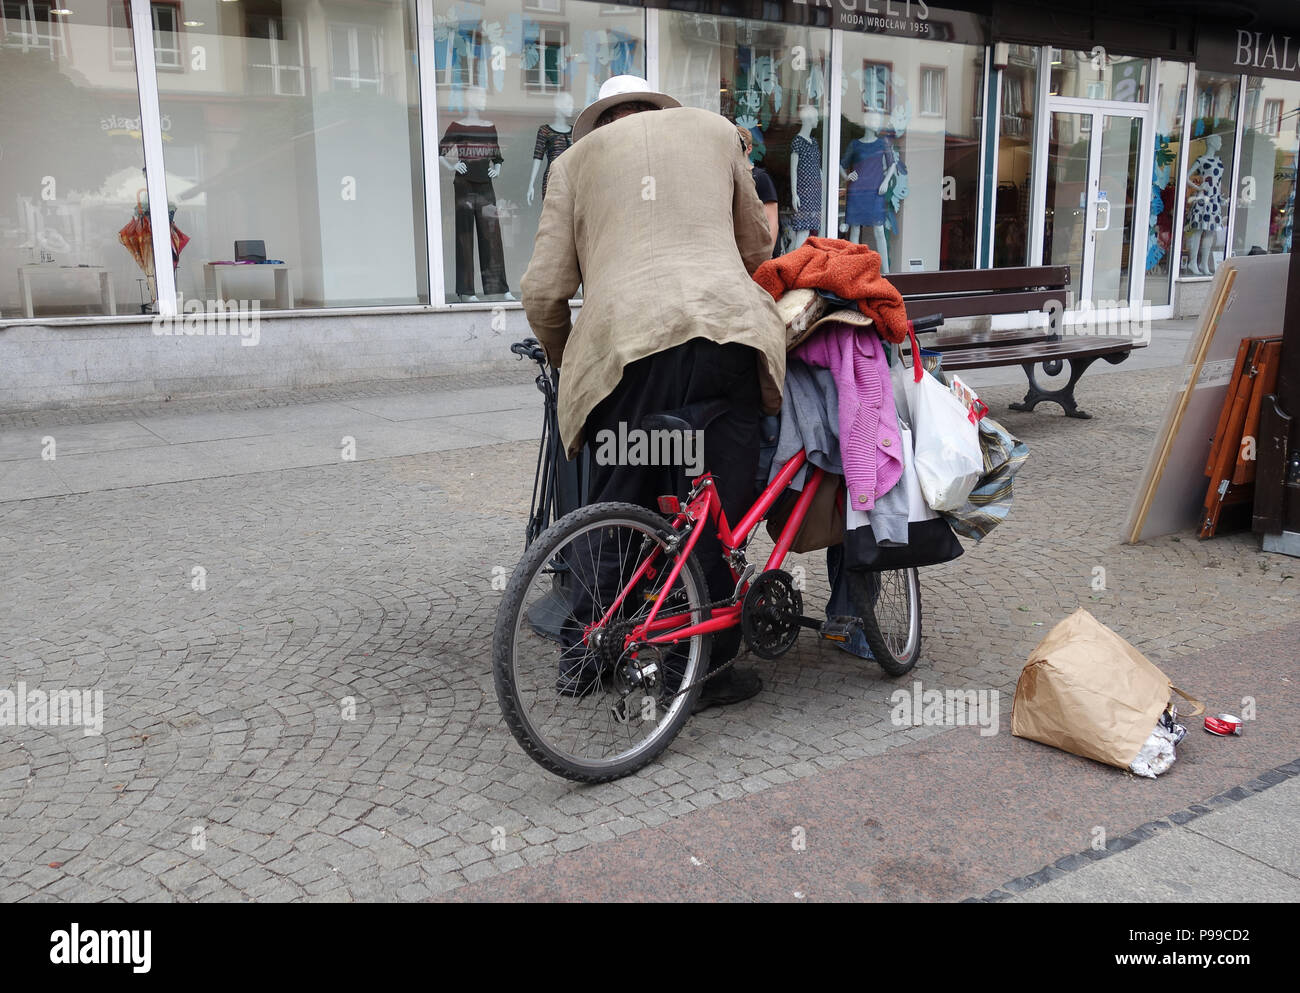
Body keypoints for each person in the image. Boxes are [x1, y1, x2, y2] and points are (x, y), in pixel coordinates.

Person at [521, 75, 786, 711]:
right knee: (712, 508)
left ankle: (583, 660)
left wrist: (569, 364)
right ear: (654, 108)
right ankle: (701, 669)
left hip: (624, 354)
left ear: (602, 121)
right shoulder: (718, 132)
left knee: (619, 497)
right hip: (723, 339)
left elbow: (542, 292)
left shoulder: (574, 162)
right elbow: (757, 245)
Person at [737, 126, 779, 255]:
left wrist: (767, 255)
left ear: (749, 149)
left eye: (738, 146)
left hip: (758, 252)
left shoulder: (760, 178)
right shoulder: (730, 177)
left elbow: (772, 220)